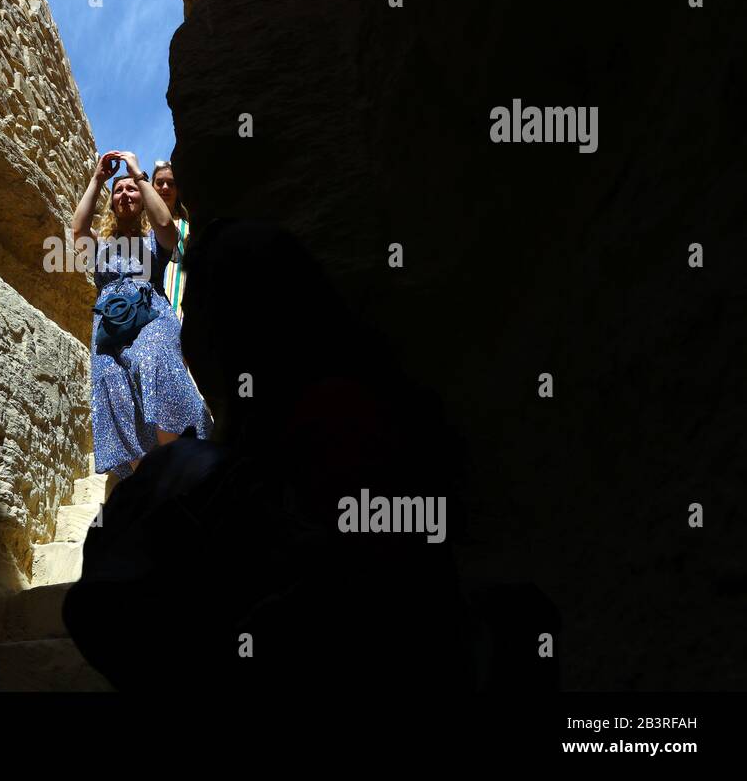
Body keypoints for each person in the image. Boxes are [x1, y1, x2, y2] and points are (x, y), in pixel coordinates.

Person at [64, 218, 540, 691]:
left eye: (197, 311)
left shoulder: (315, 442)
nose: (185, 337)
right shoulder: (386, 415)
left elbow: (99, 612)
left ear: (225, 330)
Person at [70, 151, 211, 482]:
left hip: (152, 318)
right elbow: (77, 231)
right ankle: (147, 482)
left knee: (154, 363)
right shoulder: (101, 247)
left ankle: (179, 464)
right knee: (112, 390)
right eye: (119, 191)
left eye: (131, 189)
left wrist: (138, 174)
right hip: (108, 329)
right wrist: (97, 179)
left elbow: (165, 224)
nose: (125, 194)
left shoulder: (154, 239)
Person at [151, 160, 190, 321]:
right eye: (160, 183)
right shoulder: (138, 225)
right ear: (151, 186)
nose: (165, 188)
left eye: (171, 184)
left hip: (178, 309)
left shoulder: (188, 228)